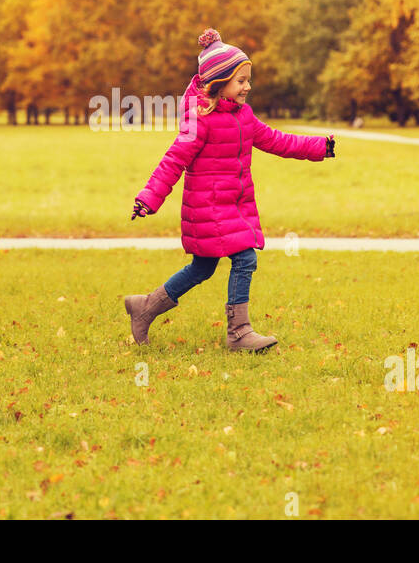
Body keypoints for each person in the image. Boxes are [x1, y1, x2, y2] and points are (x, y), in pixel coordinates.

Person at [126, 29, 335, 352]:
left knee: (202, 268)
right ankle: (239, 332)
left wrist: (318, 147)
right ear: (218, 83)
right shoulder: (200, 121)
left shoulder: (244, 117)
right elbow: (173, 161)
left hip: (234, 207)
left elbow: (277, 140)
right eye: (240, 80)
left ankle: (145, 308)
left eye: (248, 79)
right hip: (208, 208)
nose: (247, 86)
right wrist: (148, 198)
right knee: (245, 258)